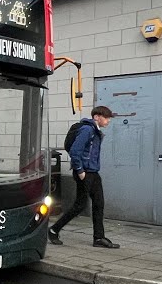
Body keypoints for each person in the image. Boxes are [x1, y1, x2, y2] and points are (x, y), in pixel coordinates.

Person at [49, 106, 118, 249]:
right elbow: (75, 151)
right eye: (106, 117)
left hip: (93, 172)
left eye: (109, 118)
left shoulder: (96, 131)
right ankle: (53, 230)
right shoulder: (87, 130)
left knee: (99, 203)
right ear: (97, 117)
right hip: (85, 173)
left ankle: (99, 238)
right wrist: (80, 171)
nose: (108, 121)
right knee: (80, 205)